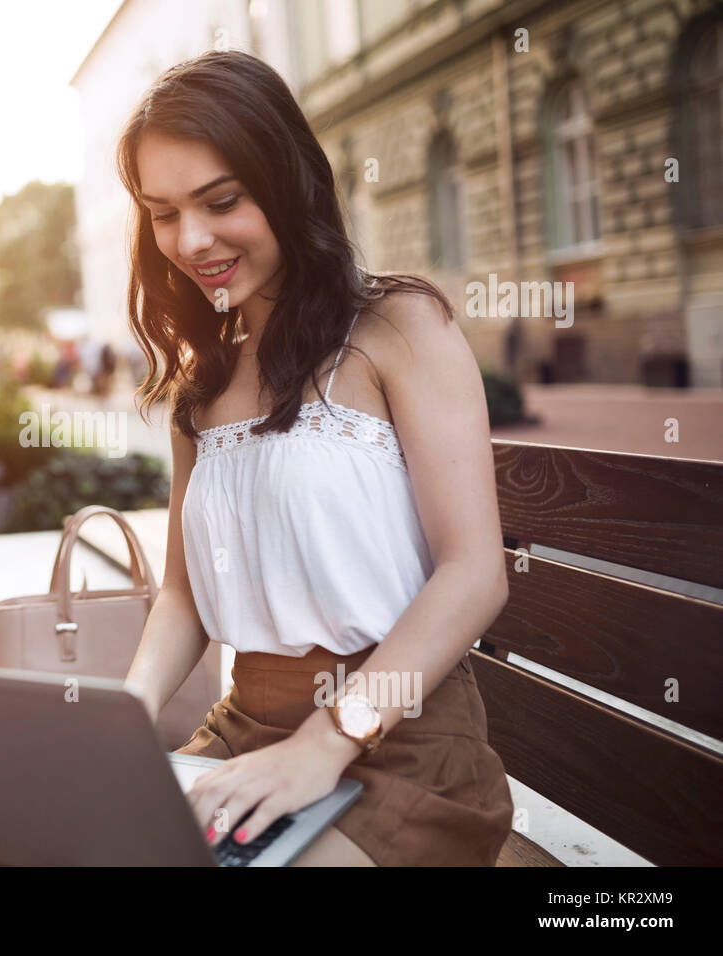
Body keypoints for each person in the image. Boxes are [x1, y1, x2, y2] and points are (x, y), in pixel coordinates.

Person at [118, 50, 514, 867]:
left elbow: (475, 572)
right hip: (245, 734)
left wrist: (326, 742)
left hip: (401, 740)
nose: (190, 241)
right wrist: (117, 725)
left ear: (289, 182)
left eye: (221, 200)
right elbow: (184, 598)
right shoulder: (203, 384)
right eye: (162, 213)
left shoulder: (398, 328)